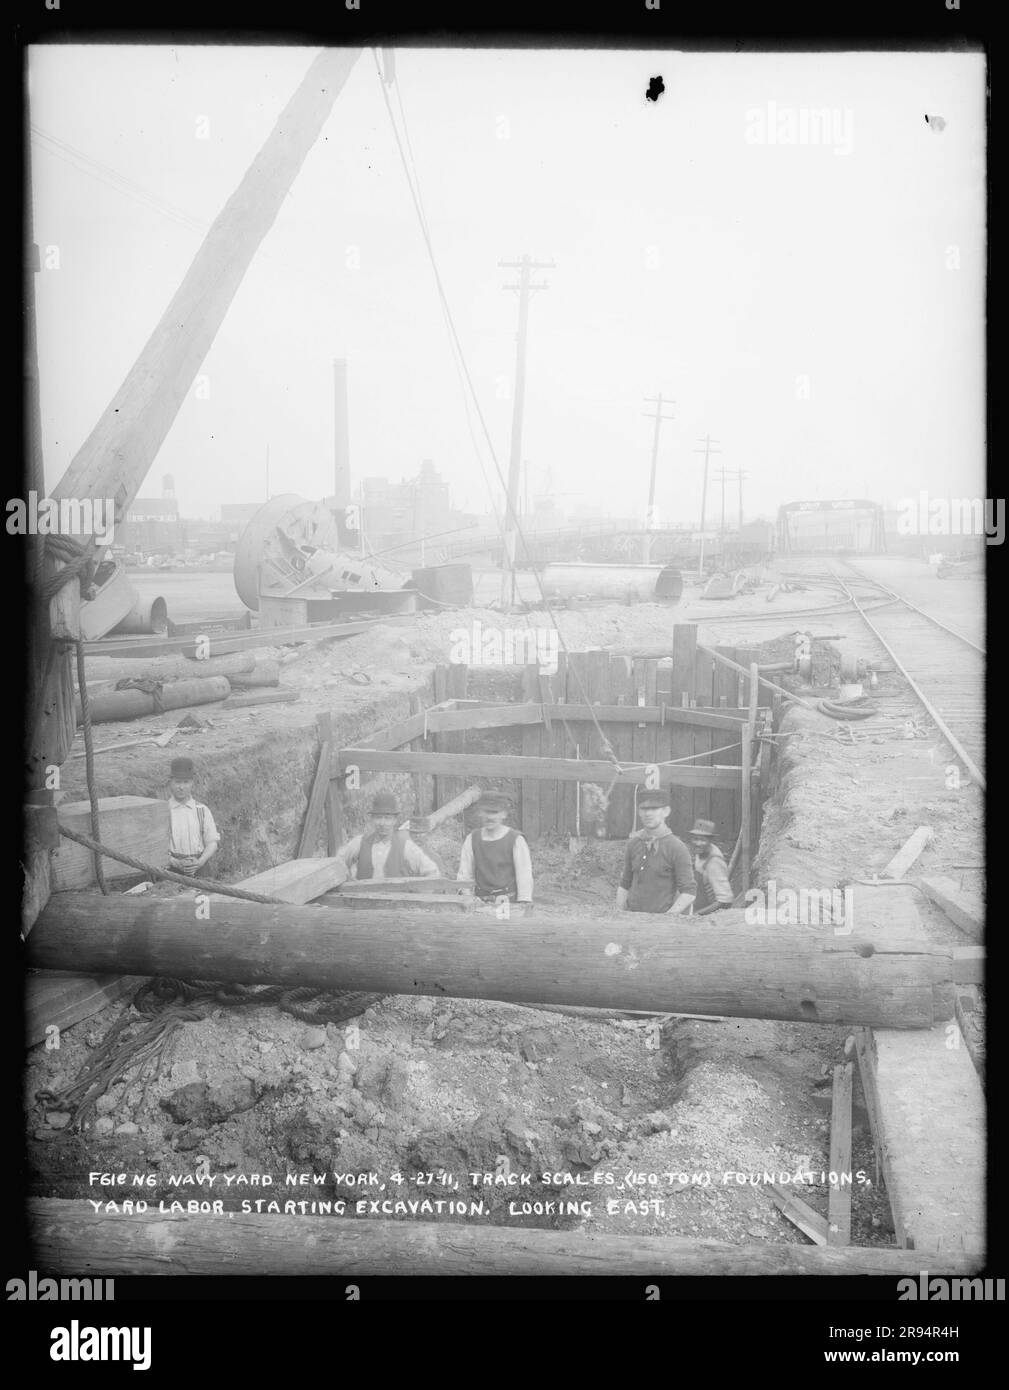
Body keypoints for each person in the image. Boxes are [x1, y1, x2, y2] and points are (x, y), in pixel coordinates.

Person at [616, 789, 695, 915]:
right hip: (632, 921)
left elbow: (689, 892)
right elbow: (624, 884)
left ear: (666, 811)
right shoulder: (633, 844)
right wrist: (620, 914)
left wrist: (668, 917)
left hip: (661, 925)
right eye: (644, 809)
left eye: (654, 809)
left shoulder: (677, 848)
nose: (648, 814)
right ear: (639, 812)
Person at [337, 792, 441, 881]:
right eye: (378, 817)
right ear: (372, 819)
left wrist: (418, 897)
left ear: (394, 820)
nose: (382, 823)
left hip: (396, 903)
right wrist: (347, 881)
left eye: (387, 818)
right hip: (363, 902)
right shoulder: (360, 842)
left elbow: (433, 872)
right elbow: (336, 862)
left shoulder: (405, 846)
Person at [456, 791, 533, 904]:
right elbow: (465, 874)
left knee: (501, 921)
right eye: (486, 812)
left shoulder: (515, 840)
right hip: (479, 901)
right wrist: (468, 899)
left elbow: (524, 874)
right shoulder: (472, 839)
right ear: (480, 813)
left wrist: (523, 902)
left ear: (504, 814)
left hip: (507, 901)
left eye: (495, 812)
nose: (490, 817)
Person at [167, 756, 220, 878]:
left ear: (192, 783)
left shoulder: (202, 810)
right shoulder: (164, 811)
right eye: (178, 782)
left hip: (200, 869)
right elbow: (158, 849)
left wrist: (200, 862)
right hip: (172, 871)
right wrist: (175, 862)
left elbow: (212, 843)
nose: (181, 787)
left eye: (186, 782)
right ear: (171, 782)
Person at [689, 818, 735, 914]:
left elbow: (725, 901)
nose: (698, 843)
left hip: (710, 912)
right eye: (695, 839)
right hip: (698, 904)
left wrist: (697, 915)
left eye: (702, 840)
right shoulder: (701, 852)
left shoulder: (714, 862)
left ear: (710, 840)